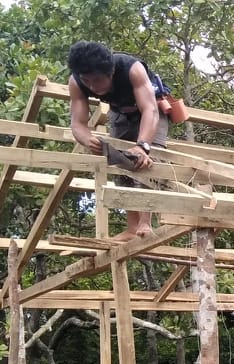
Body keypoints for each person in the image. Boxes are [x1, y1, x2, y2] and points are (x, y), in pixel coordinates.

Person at [66, 40, 169, 241]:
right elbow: (77, 124)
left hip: (150, 110)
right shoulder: (76, 81)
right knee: (120, 161)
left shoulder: (132, 69)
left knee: (148, 160)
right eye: (87, 81)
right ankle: (132, 227)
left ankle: (145, 223)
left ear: (110, 72)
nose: (92, 86)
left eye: (97, 80)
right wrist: (88, 139)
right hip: (120, 114)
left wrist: (143, 146)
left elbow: (150, 110)